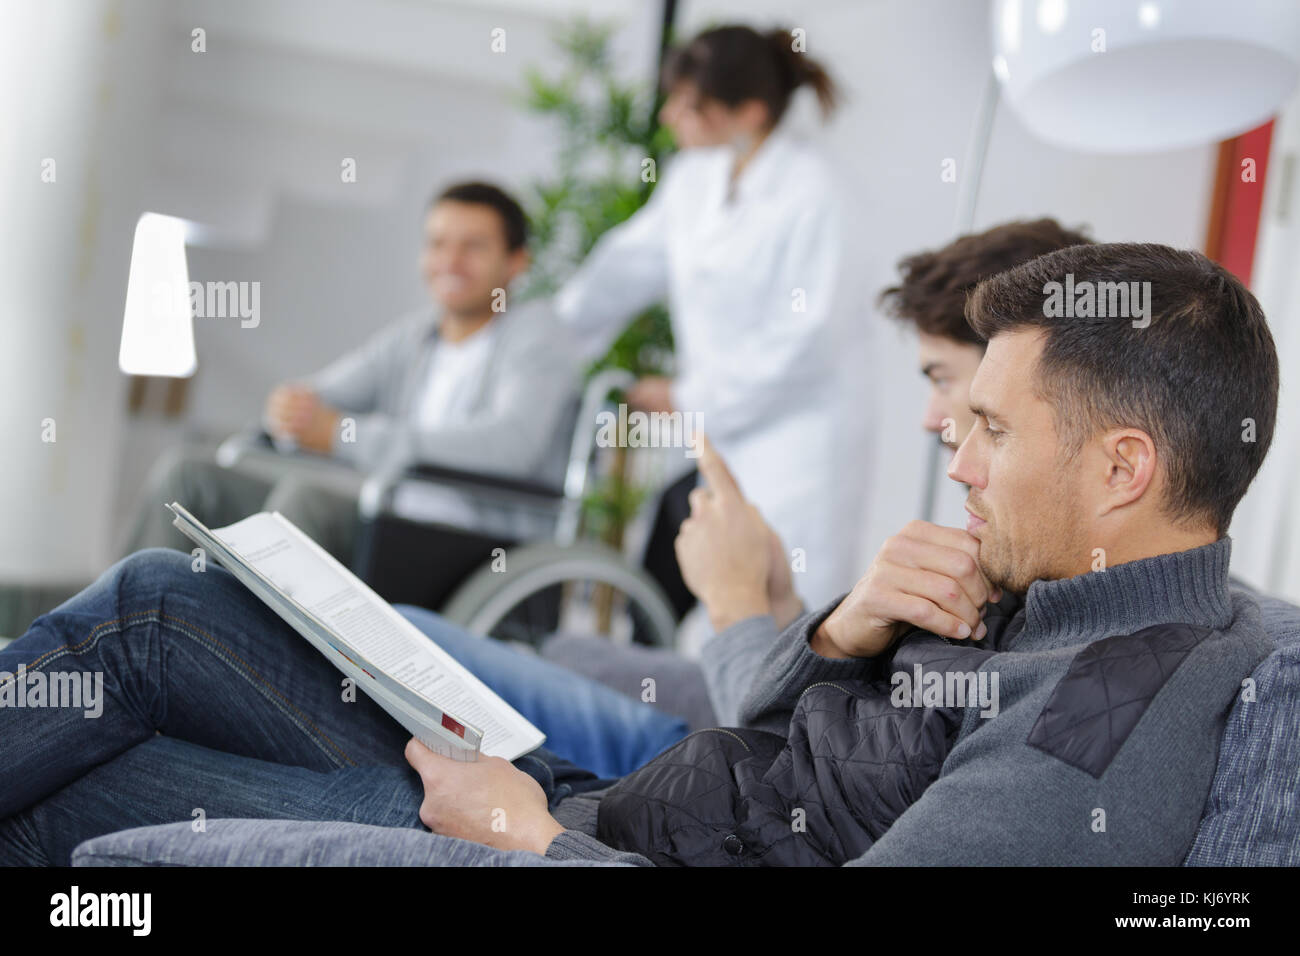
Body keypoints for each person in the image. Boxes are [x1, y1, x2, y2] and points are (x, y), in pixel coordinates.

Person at [555, 24, 873, 610]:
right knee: (709, 600)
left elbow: (806, 340)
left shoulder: (814, 192)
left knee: (783, 608)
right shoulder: (693, 178)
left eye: (690, 105)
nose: (670, 117)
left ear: (749, 112)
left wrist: (686, 396)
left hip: (795, 446)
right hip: (722, 432)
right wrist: (551, 338)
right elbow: (625, 267)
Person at [121, 181, 580, 563]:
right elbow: (323, 395)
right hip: (389, 518)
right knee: (187, 478)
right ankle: (129, 638)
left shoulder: (537, 333)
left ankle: (236, 659)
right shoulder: (417, 337)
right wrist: (293, 409)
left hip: (470, 543)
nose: (450, 261)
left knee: (305, 503)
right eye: (438, 244)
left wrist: (347, 435)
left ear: (516, 262)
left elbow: (512, 446)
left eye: (473, 247)